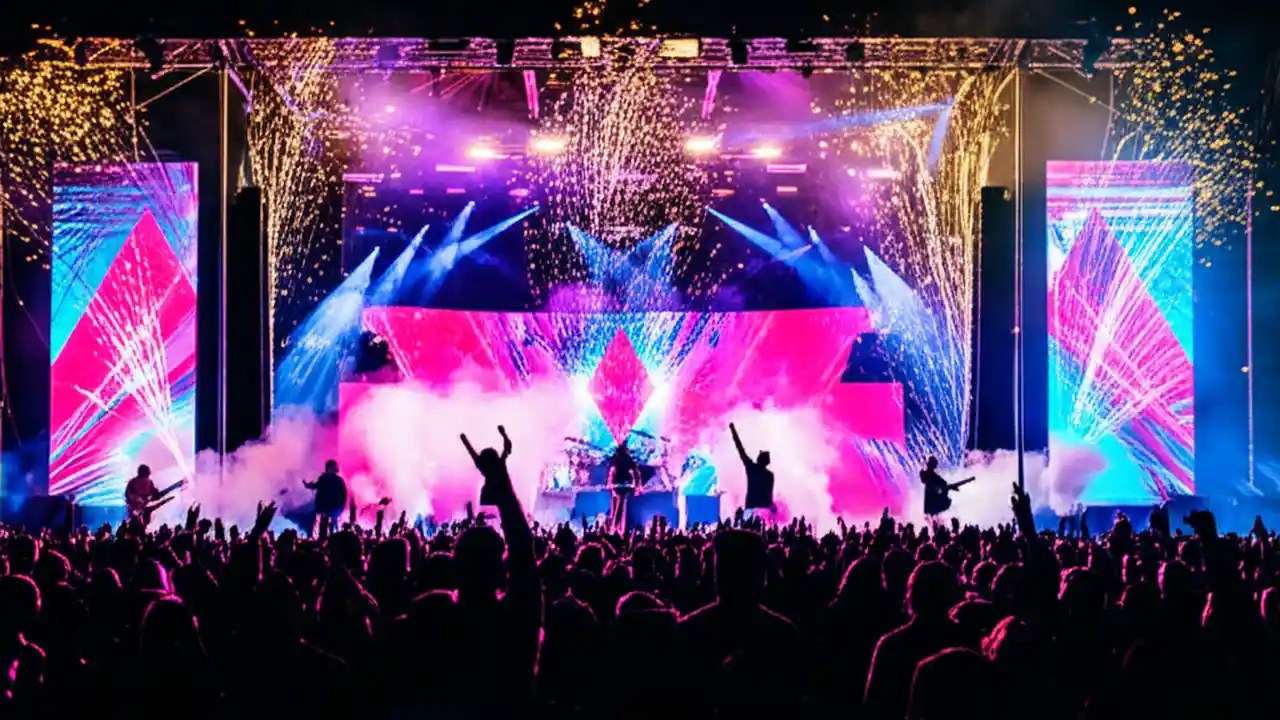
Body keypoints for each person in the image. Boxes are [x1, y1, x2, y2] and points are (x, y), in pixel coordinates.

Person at [729, 423, 774, 513]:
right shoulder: (769, 475)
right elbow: (769, 494)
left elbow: (740, 449)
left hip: (752, 507)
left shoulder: (752, 468)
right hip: (764, 510)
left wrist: (733, 430)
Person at [304, 460, 348, 532]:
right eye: (335, 467)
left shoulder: (325, 478)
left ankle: (324, 539)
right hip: (334, 509)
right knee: (332, 526)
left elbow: (316, 485)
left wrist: (308, 485)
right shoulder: (339, 480)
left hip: (326, 509)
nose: (337, 469)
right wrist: (341, 508)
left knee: (324, 526)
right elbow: (343, 495)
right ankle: (333, 538)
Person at [606, 443, 640, 529]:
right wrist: (636, 486)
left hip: (617, 484)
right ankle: (617, 526)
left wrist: (609, 484)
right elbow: (635, 472)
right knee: (621, 503)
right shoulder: (628, 459)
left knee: (618, 502)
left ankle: (615, 526)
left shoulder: (616, 459)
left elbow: (611, 471)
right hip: (625, 484)